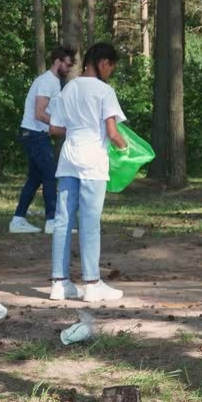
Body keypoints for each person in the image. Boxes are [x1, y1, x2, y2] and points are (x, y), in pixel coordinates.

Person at [46, 43, 128, 302]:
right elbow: (113, 133)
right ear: (104, 63)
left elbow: (55, 128)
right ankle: (92, 283)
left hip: (69, 159)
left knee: (63, 220)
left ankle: (59, 283)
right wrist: (126, 149)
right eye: (111, 67)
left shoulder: (68, 88)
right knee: (90, 223)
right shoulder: (105, 91)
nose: (110, 72)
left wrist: (76, 129)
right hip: (93, 162)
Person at [9, 48, 76, 234]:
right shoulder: (48, 81)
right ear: (57, 61)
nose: (69, 69)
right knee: (50, 175)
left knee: (35, 178)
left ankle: (18, 220)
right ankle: (52, 221)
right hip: (34, 135)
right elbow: (39, 113)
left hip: (34, 134)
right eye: (68, 64)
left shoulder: (53, 82)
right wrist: (57, 127)